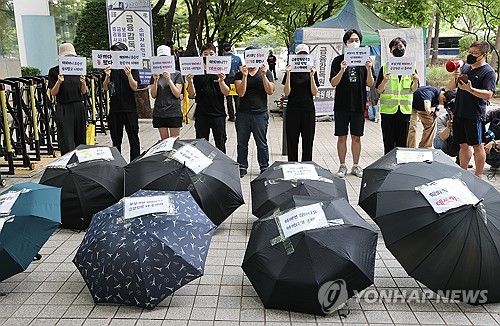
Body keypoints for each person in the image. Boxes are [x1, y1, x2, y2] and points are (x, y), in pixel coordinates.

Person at [446, 40, 496, 177]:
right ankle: (463, 173)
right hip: (460, 112)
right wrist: (455, 77)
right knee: (463, 145)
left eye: (475, 53)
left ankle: (478, 176)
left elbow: (489, 94)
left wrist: (471, 89)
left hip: (474, 114)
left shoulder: (489, 72)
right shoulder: (466, 67)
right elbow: (451, 87)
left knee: (477, 145)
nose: (471, 55)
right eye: (470, 52)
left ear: (483, 55)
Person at [329, 29, 374, 178]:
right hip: (342, 104)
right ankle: (342, 165)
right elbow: (333, 83)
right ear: (345, 43)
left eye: (356, 40)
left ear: (360, 42)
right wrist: (342, 70)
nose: (354, 43)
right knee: (342, 137)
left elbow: (370, 83)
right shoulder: (338, 60)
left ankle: (356, 165)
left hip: (359, 103)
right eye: (351, 41)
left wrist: (368, 69)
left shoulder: (365, 60)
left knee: (357, 136)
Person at [234, 46, 275, 177]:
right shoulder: (240, 73)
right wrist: (245, 76)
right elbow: (240, 93)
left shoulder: (266, 72)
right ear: (246, 58)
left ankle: (264, 166)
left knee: (261, 143)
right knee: (242, 143)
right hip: (243, 113)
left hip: (260, 113)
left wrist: (263, 75)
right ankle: (242, 166)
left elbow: (270, 91)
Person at [376, 37, 420, 154]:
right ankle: (388, 167)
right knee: (388, 142)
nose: (398, 49)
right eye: (395, 47)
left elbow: (413, 89)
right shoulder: (385, 68)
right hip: (388, 111)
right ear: (390, 50)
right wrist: (385, 80)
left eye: (401, 47)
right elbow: (379, 90)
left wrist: (416, 80)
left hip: (404, 111)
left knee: (402, 143)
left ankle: (400, 167)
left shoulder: (410, 67)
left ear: (405, 49)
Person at [186, 43, 230, 153]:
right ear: (201, 55)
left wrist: (221, 81)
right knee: (201, 144)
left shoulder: (221, 70)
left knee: (220, 143)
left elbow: (226, 92)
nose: (208, 56)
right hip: (202, 114)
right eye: (205, 53)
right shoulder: (195, 71)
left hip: (218, 113)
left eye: (211, 53)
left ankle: (221, 168)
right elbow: (191, 94)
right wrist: (190, 82)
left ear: (215, 54)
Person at [103, 42, 141, 161]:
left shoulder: (132, 67)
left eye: (119, 50)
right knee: (116, 140)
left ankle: (134, 162)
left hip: (129, 109)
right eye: (114, 51)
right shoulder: (110, 68)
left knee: (133, 137)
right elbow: (105, 88)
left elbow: (135, 87)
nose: (116, 53)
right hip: (115, 109)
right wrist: (107, 76)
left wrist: (129, 75)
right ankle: (117, 162)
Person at [48, 43, 88, 155]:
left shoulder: (79, 69)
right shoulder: (54, 71)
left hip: (78, 106)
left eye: (71, 56)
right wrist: (59, 82)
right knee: (67, 140)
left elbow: (84, 91)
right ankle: (68, 165)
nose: (69, 59)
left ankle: (81, 164)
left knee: (80, 138)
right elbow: (53, 92)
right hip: (64, 107)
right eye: (66, 57)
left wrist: (83, 82)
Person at [283, 43, 319, 162]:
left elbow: (314, 92)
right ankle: (292, 164)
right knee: (292, 140)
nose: (302, 57)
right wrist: (288, 74)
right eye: (300, 54)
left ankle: (307, 164)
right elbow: (287, 92)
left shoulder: (311, 70)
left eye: (304, 54)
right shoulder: (291, 70)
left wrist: (312, 76)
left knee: (308, 140)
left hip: (308, 109)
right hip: (293, 108)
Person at [150, 45, 184, 140]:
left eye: (166, 57)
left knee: (174, 141)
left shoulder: (177, 74)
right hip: (159, 111)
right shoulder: (155, 74)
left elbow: (177, 94)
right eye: (161, 58)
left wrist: (169, 80)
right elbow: (153, 95)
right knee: (164, 141)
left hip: (173, 111)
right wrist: (156, 80)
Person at [222, 42, 242, 122]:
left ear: (223, 50)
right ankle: (239, 115)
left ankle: (231, 116)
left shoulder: (222, 59)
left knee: (229, 98)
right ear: (230, 49)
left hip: (226, 80)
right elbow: (240, 70)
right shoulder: (237, 58)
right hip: (235, 80)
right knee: (236, 98)